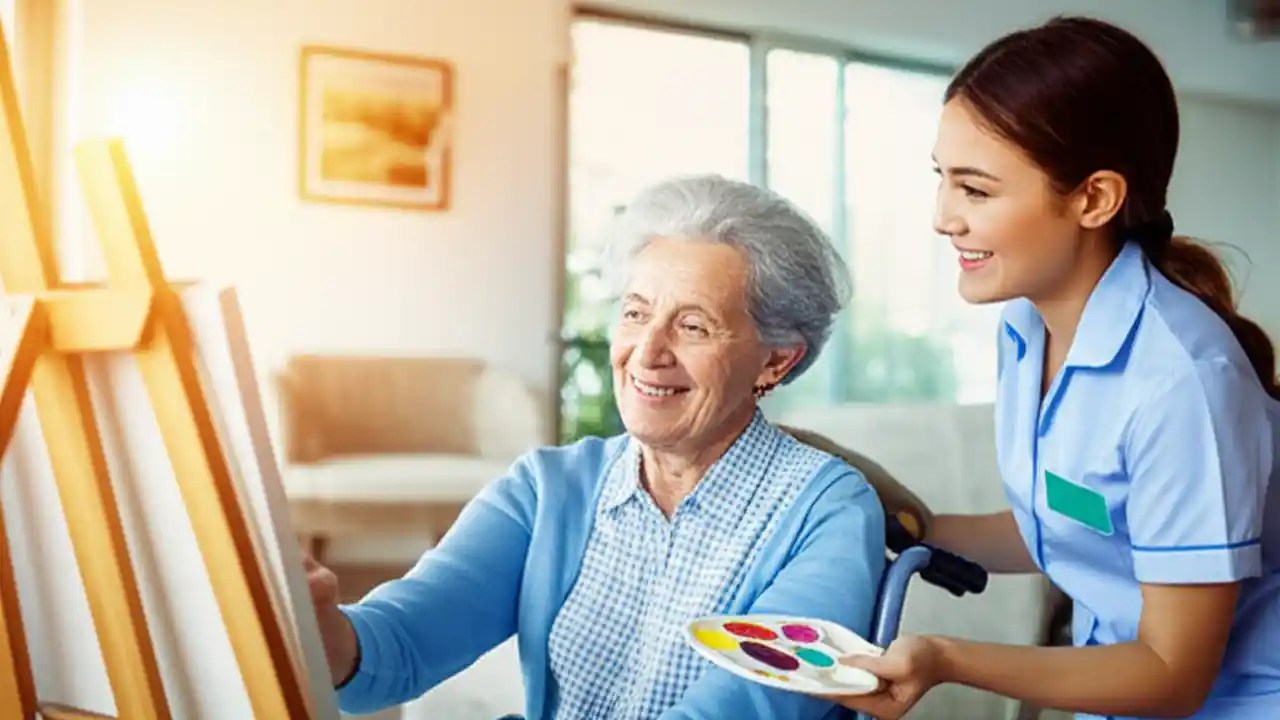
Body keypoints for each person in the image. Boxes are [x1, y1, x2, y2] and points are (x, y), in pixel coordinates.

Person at [823, 16, 1280, 720]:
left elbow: (1172, 671)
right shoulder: (1025, 328)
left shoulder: (1183, 384)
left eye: (975, 190)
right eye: (943, 180)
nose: (944, 216)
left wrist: (948, 658)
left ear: (1093, 198)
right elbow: (1074, 526)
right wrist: (903, 518)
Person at [305, 174, 887, 719]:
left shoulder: (826, 512)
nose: (646, 351)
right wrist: (318, 623)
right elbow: (403, 643)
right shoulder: (548, 488)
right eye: (636, 313)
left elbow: (753, 705)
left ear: (776, 358)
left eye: (693, 326)